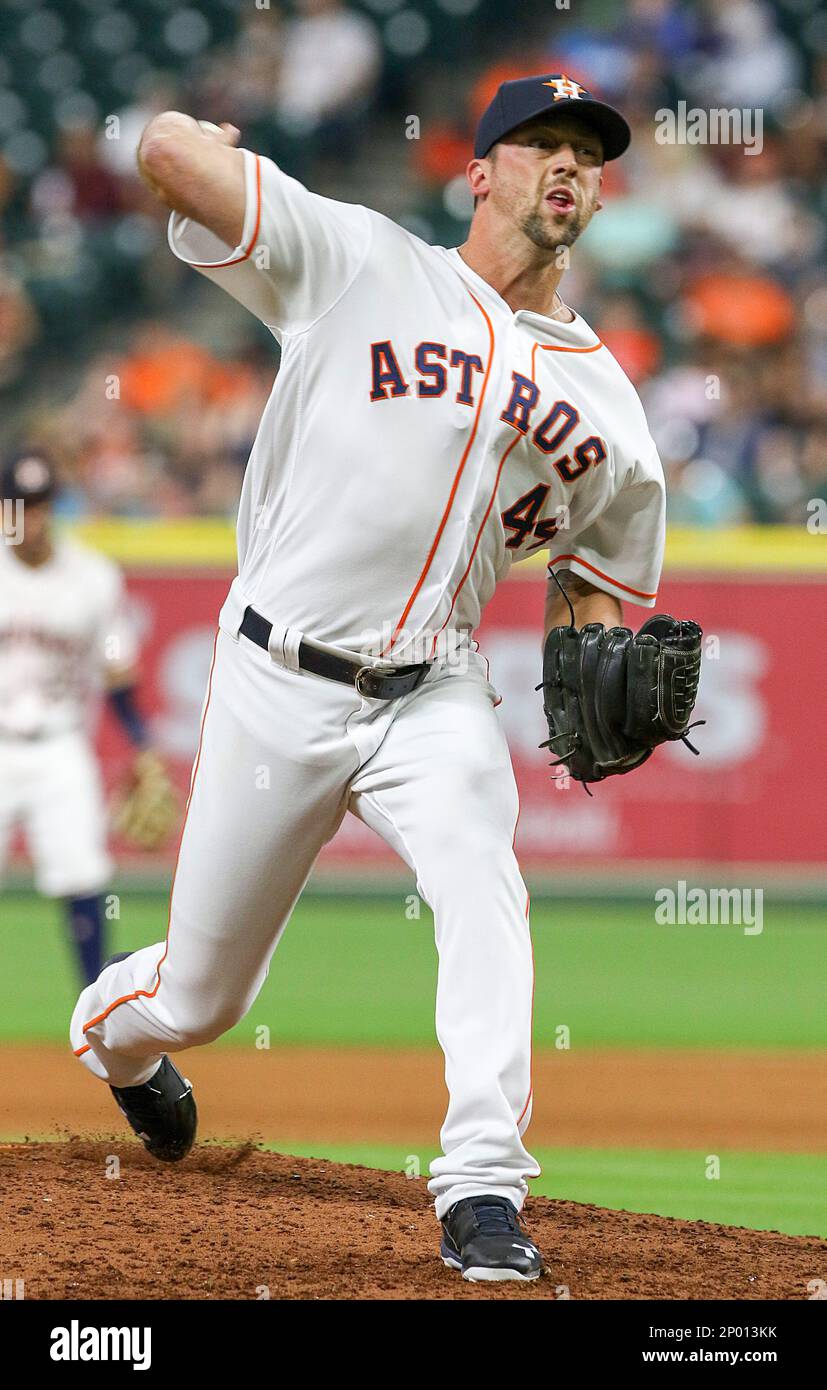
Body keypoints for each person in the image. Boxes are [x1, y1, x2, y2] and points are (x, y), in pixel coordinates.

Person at [70, 73, 666, 1283]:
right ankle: (118, 1046)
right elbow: (170, 158)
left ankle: (481, 1183)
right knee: (199, 996)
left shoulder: (604, 402)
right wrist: (197, 139)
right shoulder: (357, 260)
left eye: (586, 153)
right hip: (274, 678)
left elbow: (595, 574)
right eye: (537, 143)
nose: (565, 165)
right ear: (477, 172)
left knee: (480, 877)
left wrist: (587, 634)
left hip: (435, 690)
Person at [0, 452, 156, 983]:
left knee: (82, 875)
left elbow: (118, 671)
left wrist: (141, 743)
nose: (30, 519)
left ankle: (93, 1014)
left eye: (40, 505)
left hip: (59, 745)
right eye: (18, 506)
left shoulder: (92, 577)